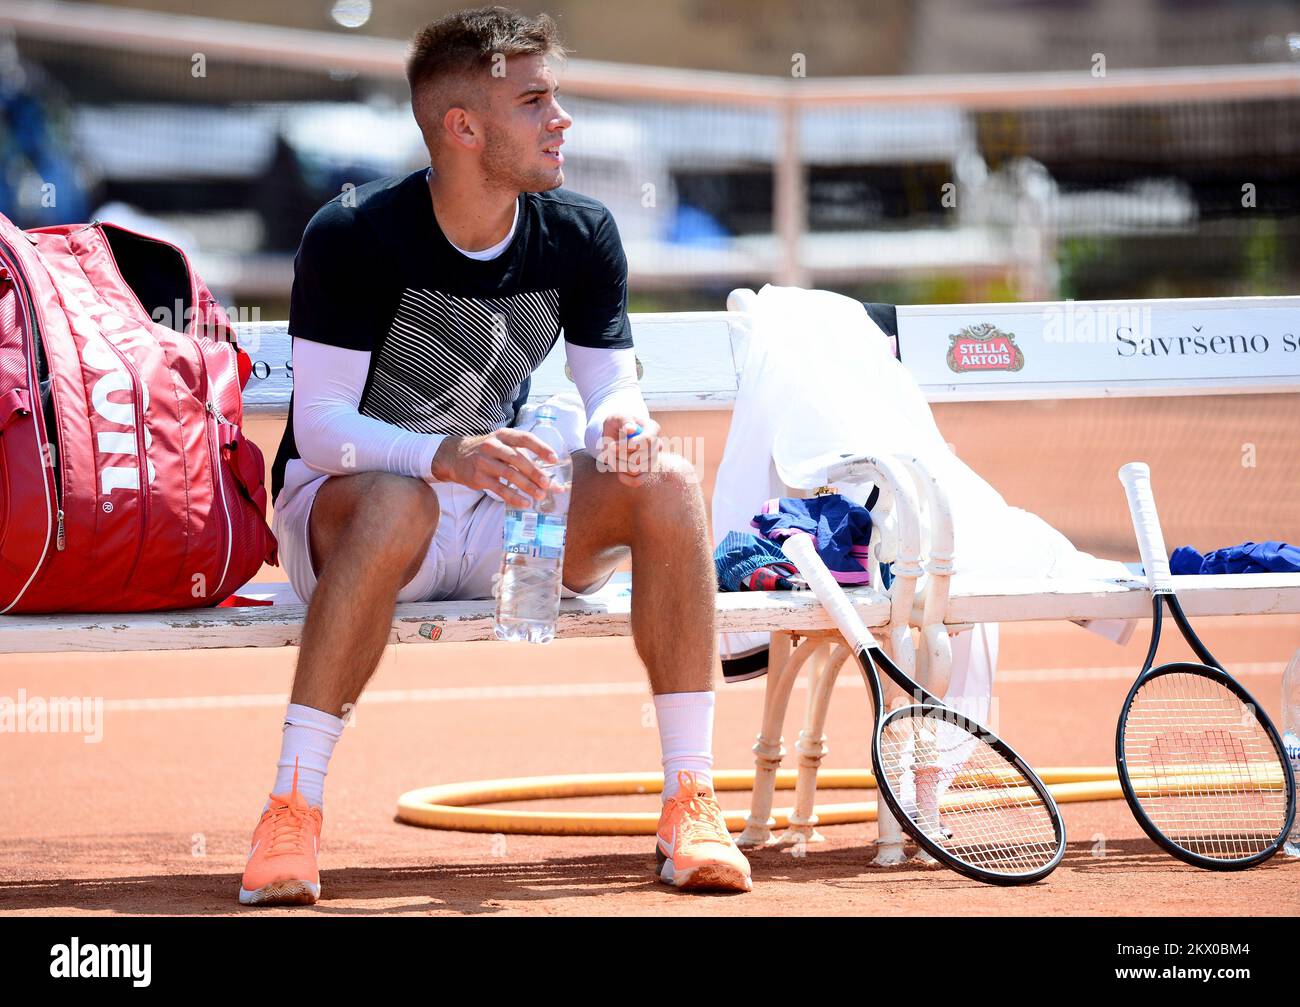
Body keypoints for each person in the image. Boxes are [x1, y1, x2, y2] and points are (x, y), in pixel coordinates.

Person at [240, 6, 752, 905]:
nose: (562, 120)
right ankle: (292, 805)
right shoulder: (354, 234)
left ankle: (691, 800)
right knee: (402, 501)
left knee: (666, 484)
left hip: (497, 509)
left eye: (555, 97)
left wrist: (622, 429)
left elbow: (611, 388)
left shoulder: (579, 231)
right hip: (356, 518)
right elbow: (319, 428)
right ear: (463, 127)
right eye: (535, 101)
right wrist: (444, 456)